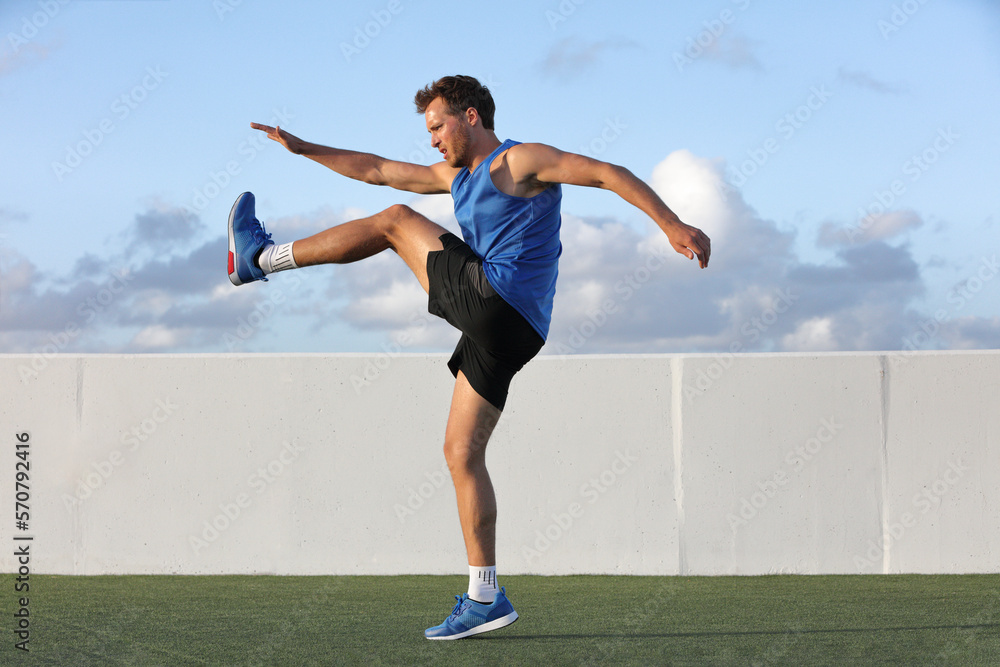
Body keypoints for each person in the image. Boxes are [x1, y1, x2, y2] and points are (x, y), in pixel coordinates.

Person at [227, 75, 710, 640]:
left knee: (394, 221)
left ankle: (259, 259)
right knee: (461, 453)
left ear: (471, 116)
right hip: (513, 332)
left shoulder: (519, 161)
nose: (431, 139)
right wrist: (307, 149)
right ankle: (486, 596)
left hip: (498, 300)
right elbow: (376, 167)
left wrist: (671, 223)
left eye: (437, 125)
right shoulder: (454, 177)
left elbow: (606, 173)